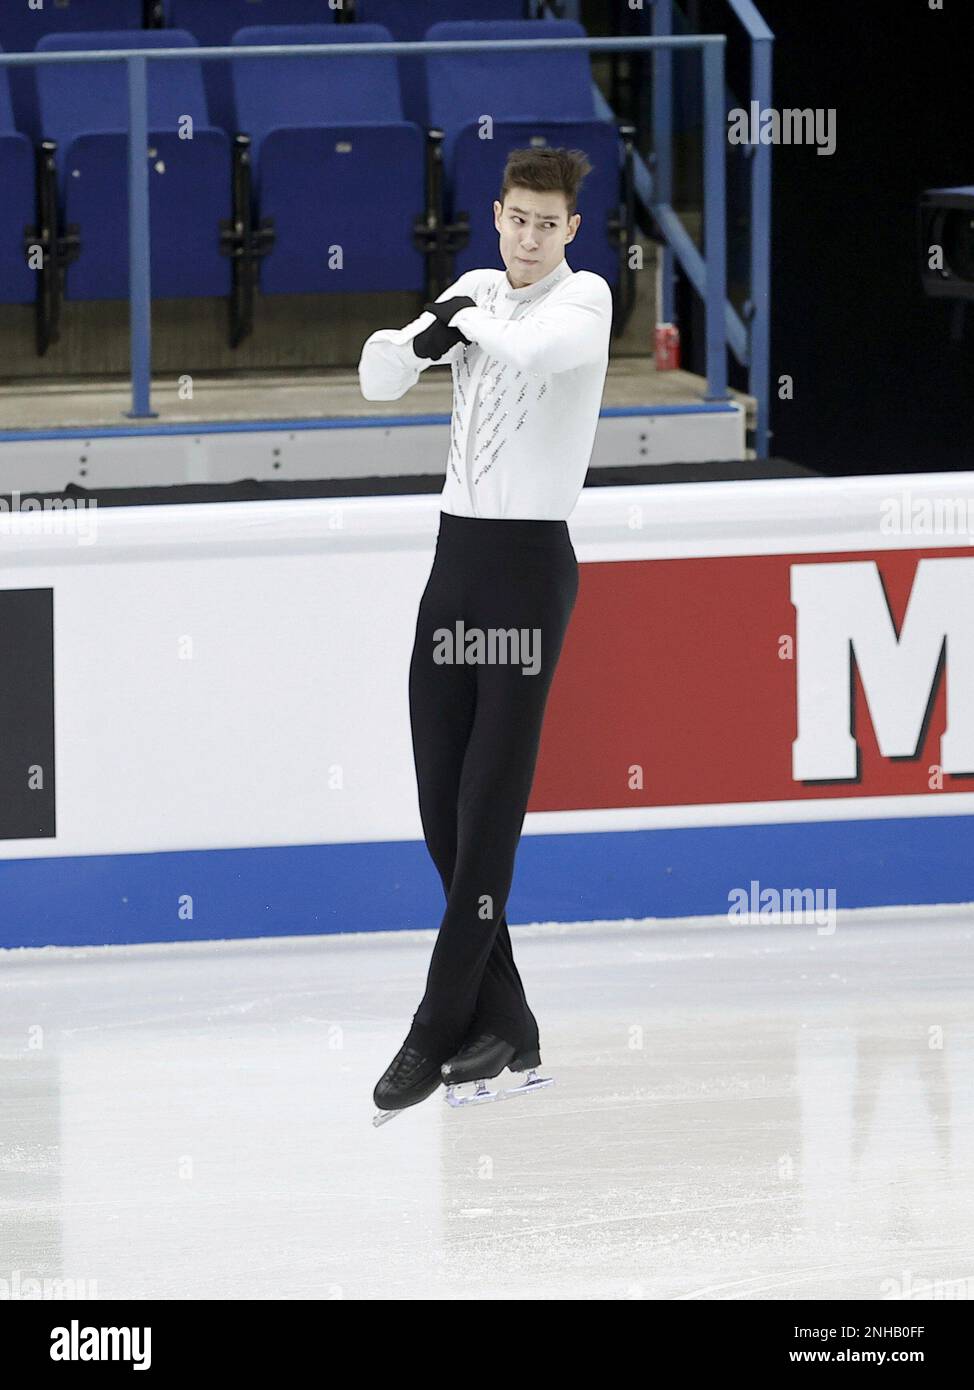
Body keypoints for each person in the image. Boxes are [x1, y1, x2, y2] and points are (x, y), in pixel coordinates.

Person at [358, 146, 612, 1118]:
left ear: (570, 230)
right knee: (439, 807)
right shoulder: (470, 289)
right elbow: (379, 378)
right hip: (453, 567)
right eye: (516, 218)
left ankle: (436, 1024)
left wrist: (465, 327)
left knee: (488, 803)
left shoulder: (582, 298)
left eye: (546, 223)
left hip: (522, 574)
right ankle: (508, 1020)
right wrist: (423, 334)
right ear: (496, 212)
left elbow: (543, 356)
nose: (528, 236)